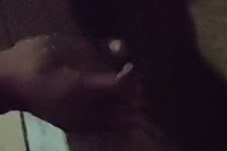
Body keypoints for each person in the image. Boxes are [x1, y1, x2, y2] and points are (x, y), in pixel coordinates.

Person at [0, 34, 138, 132]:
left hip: (29, 77)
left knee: (45, 78)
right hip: (27, 67)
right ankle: (111, 79)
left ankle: (113, 86)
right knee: (44, 64)